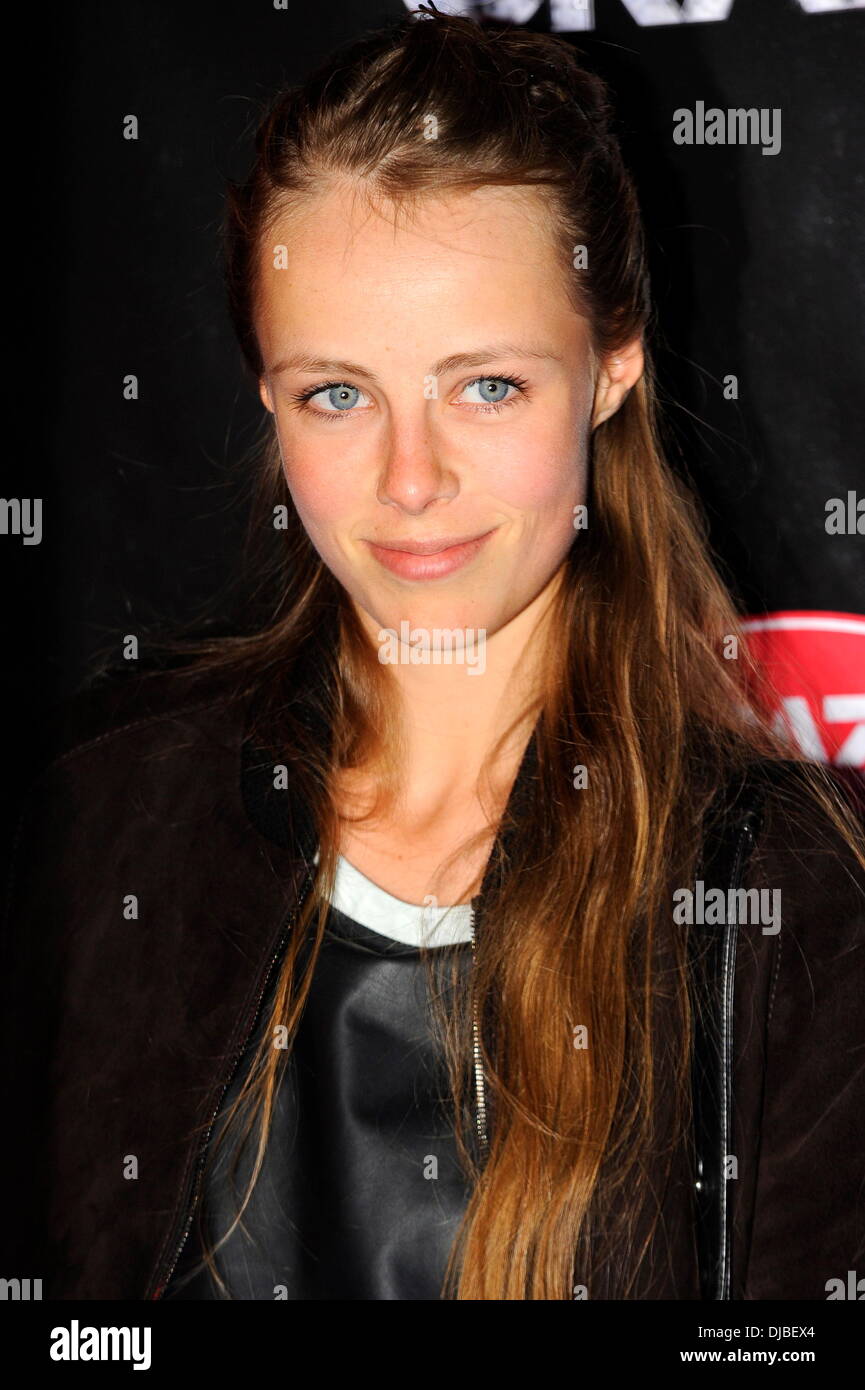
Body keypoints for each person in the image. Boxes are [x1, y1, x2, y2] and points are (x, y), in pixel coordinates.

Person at [2, 5, 863, 1303]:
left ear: (612, 365)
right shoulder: (89, 819)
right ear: (267, 396)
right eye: (337, 393)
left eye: (486, 386)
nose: (410, 481)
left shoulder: (801, 913)